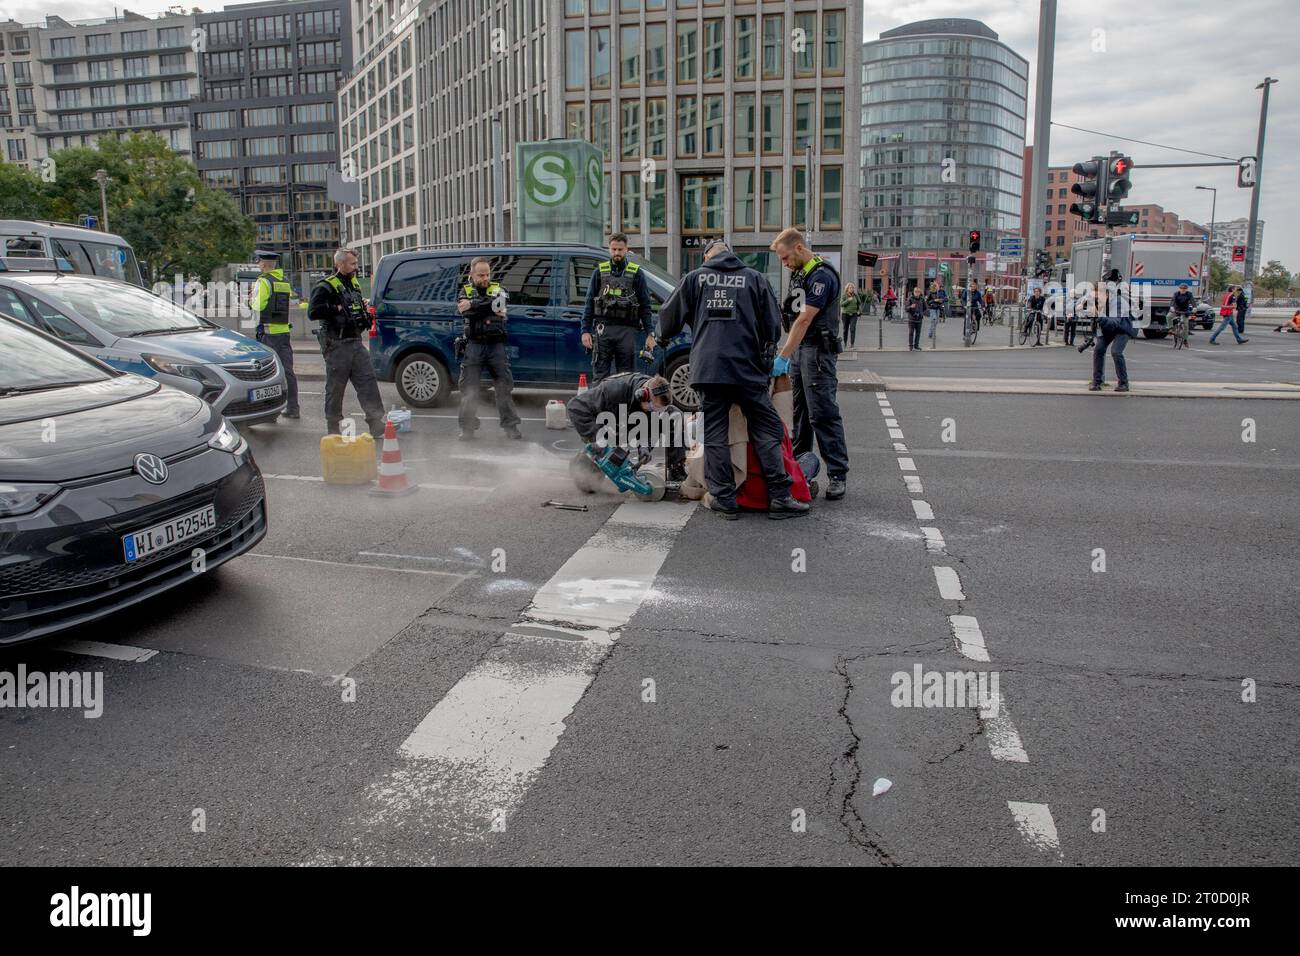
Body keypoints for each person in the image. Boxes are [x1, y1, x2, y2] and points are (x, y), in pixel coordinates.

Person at [656, 238, 809, 520]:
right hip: (747, 370)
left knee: (715, 432)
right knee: (767, 429)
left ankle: (724, 499)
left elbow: (667, 322)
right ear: (731, 255)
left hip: (708, 370)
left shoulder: (694, 278)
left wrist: (666, 335)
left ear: (707, 258)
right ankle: (780, 497)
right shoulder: (755, 279)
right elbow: (773, 328)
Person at [771, 228, 849, 501]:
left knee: (823, 414)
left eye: (785, 257)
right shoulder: (800, 274)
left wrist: (782, 355)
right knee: (800, 415)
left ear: (800, 248)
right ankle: (801, 469)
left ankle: (838, 474)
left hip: (817, 352)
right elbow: (791, 314)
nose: (784, 263)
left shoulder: (821, 276)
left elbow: (804, 319)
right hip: (802, 351)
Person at [310, 248, 385, 436]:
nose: (355, 267)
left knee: (368, 383)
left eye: (355, 263)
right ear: (340, 264)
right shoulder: (325, 286)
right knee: (335, 389)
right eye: (352, 264)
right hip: (337, 345)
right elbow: (313, 312)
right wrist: (336, 309)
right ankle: (333, 428)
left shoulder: (353, 284)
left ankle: (376, 422)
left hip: (356, 342)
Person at [566, 372, 684, 487]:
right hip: (607, 427)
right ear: (643, 395)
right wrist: (597, 440)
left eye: (662, 409)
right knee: (588, 480)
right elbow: (575, 406)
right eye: (655, 408)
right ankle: (585, 461)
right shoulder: (613, 390)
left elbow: (650, 424)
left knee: (674, 416)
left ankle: (676, 471)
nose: (658, 413)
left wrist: (645, 446)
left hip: (630, 423)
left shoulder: (654, 398)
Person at [455, 257, 522, 439]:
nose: (485, 278)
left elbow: (499, 305)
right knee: (469, 390)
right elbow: (465, 310)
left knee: (503, 388)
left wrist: (475, 305)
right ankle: (467, 428)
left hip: (496, 346)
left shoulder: (499, 289)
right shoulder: (465, 291)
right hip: (474, 345)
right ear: (472, 274)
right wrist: (489, 307)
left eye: (487, 274)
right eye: (480, 275)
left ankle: (511, 427)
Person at [582, 233, 655, 383]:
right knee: (600, 377)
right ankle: (601, 407)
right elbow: (589, 303)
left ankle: (622, 408)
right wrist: (585, 331)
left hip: (626, 332)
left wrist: (650, 333)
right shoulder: (599, 272)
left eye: (620, 250)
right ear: (609, 249)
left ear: (626, 249)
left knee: (626, 379)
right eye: (614, 249)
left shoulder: (636, 273)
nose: (617, 253)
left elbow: (645, 306)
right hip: (603, 331)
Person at [249, 249, 300, 419]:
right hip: (283, 331)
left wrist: (250, 300)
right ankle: (293, 407)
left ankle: (268, 411)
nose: (258, 265)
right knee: (287, 371)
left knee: (266, 373)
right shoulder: (284, 281)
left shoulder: (263, 281)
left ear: (263, 264)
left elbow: (257, 306)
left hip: (267, 333)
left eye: (259, 262)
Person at [1089, 269, 1138, 392]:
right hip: (1108, 328)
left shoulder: (1118, 302)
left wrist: (1099, 317)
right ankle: (1097, 382)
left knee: (1116, 352)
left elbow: (1114, 322)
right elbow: (1097, 323)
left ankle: (1123, 383)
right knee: (1099, 350)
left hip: (1123, 327)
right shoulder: (1099, 302)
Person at [840, 283, 865, 348]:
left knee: (852, 329)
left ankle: (852, 344)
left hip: (854, 314)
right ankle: (845, 343)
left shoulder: (855, 295)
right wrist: (848, 300)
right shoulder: (844, 295)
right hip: (845, 314)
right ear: (847, 289)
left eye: (852, 288)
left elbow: (859, 303)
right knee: (845, 329)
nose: (852, 289)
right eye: (850, 288)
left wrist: (859, 310)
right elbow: (841, 304)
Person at [908, 285, 926, 351]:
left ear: (920, 292)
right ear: (914, 292)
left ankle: (916, 346)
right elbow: (906, 308)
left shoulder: (922, 299)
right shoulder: (910, 299)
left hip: (919, 319)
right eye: (915, 292)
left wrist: (921, 313)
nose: (917, 293)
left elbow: (925, 308)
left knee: (918, 333)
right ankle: (910, 346)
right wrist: (910, 307)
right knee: (911, 333)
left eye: (918, 292)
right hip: (912, 319)